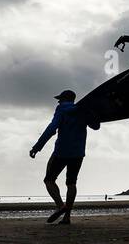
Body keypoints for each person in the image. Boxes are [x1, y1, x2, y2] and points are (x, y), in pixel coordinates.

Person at [30, 89, 98, 224]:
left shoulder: (61, 109)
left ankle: (60, 206)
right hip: (78, 153)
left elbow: (52, 128)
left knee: (49, 180)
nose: (59, 101)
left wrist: (37, 147)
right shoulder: (82, 110)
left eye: (60, 99)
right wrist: (90, 113)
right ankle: (67, 217)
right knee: (71, 183)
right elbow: (95, 126)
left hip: (61, 151)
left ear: (65, 99)